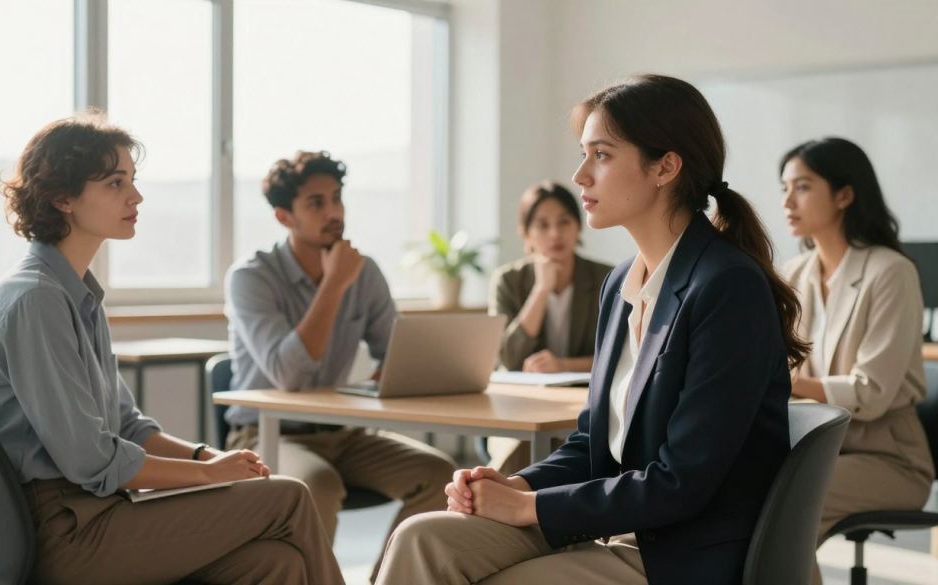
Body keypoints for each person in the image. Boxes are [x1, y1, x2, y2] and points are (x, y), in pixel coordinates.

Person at [376, 74, 810, 585]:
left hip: (680, 554)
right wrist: (513, 484)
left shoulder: (726, 286)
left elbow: (682, 482)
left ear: (666, 166)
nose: (580, 175)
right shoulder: (620, 284)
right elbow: (593, 444)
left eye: (601, 155)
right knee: (420, 535)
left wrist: (527, 508)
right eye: (584, 155)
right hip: (617, 527)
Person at [0, 113, 343, 585]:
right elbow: (91, 460)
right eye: (116, 183)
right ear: (63, 198)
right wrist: (209, 476)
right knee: (289, 498)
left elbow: (126, 425)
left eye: (132, 181)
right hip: (65, 535)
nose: (136, 196)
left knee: (275, 564)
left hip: (95, 513)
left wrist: (206, 458)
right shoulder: (36, 299)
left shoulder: (76, 294)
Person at [224, 150, 456, 580]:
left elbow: (397, 352)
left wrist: (399, 370)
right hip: (265, 433)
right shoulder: (251, 278)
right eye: (316, 203)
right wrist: (333, 285)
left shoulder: (364, 273)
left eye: (337, 198)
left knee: (440, 473)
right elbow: (287, 375)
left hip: (342, 431)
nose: (333, 212)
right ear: (283, 216)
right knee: (318, 485)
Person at [779, 137, 935, 585]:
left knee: (786, 506)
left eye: (803, 187)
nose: (787, 200)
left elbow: (869, 392)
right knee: (757, 505)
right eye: (784, 187)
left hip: (888, 459)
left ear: (845, 194)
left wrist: (787, 383)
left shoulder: (890, 272)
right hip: (813, 449)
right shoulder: (793, 275)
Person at [487, 181, 613, 474]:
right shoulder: (508, 281)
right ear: (526, 233)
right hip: (519, 406)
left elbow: (620, 356)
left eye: (564, 222)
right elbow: (508, 358)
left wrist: (563, 365)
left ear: (578, 227)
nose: (555, 233)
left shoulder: (606, 277)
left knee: (578, 457)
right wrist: (541, 290)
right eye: (542, 225)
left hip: (584, 404)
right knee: (518, 455)